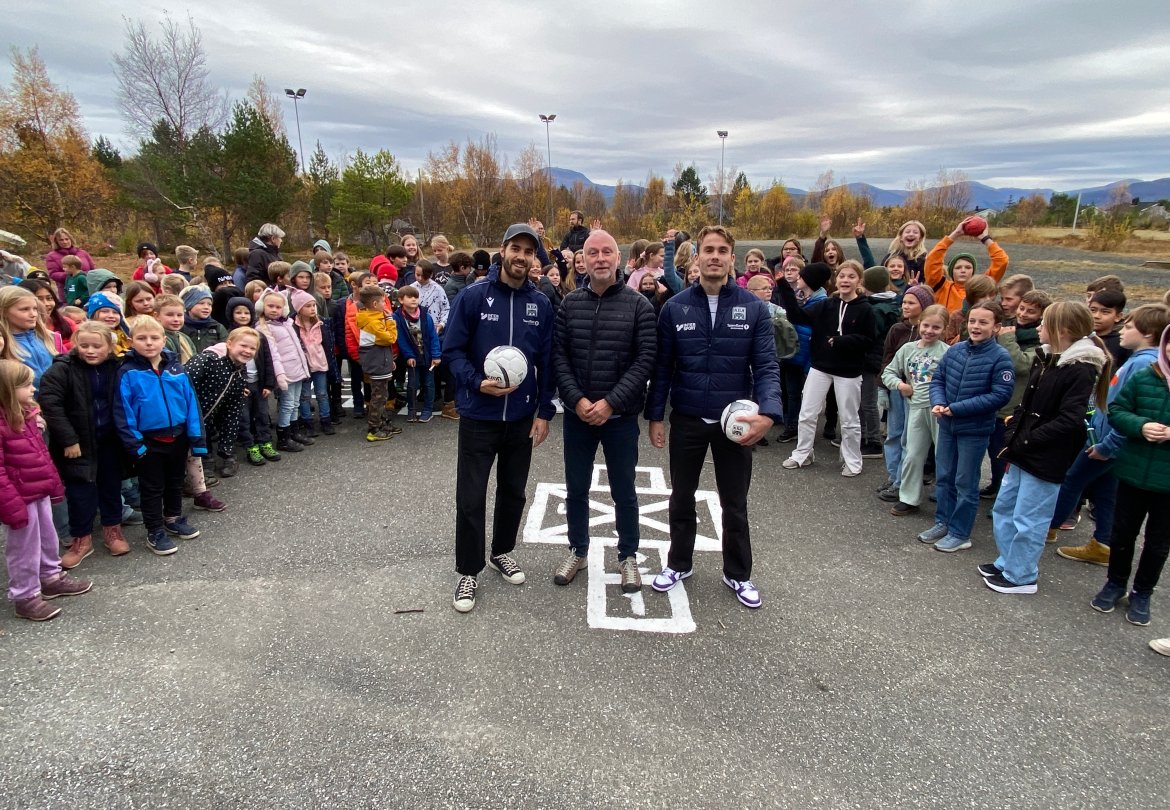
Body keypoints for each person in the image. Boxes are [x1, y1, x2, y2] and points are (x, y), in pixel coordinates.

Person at [646, 225, 782, 609]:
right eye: (709, 249)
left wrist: (769, 413)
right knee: (681, 497)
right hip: (687, 418)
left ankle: (738, 573)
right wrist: (656, 415)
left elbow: (767, 366)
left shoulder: (753, 308)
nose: (715, 256)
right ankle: (678, 564)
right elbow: (663, 368)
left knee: (734, 503)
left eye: (723, 250)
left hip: (734, 424)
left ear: (731, 259)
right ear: (696, 257)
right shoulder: (675, 307)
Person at [443, 223, 555, 614]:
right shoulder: (474, 297)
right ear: (503, 250)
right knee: (471, 497)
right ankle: (468, 570)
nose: (522, 256)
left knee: (514, 492)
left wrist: (544, 411)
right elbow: (452, 351)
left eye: (529, 251)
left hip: (521, 419)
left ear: (534, 259)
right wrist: (477, 384)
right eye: (516, 248)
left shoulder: (540, 305)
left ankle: (501, 552)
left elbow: (547, 362)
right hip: (479, 416)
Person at [551, 229, 657, 592]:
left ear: (617, 257)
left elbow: (645, 361)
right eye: (592, 252)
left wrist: (611, 401)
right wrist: (577, 400)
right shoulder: (570, 304)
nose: (599, 258)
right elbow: (559, 356)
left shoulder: (639, 305)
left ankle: (628, 556)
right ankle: (578, 550)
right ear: (583, 259)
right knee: (576, 489)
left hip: (620, 418)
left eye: (606, 252)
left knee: (624, 490)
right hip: (579, 417)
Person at [983, 302, 1110, 594]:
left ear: (1062, 330)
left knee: (1030, 517)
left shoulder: (1080, 369)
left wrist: (1028, 439)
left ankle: (1022, 575)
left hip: (1045, 456)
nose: (1038, 328)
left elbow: (1070, 419)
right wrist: (1015, 432)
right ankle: (1008, 561)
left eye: (1044, 323)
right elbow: (1025, 406)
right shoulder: (1048, 358)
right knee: (1006, 507)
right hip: (1022, 451)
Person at [1054, 304, 1170, 565]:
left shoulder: (1141, 364)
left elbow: (1119, 410)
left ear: (1149, 334)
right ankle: (1103, 542)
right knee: (1107, 491)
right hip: (1112, 443)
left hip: (1107, 443)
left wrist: (1105, 446)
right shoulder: (1143, 360)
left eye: (1128, 327)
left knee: (1072, 480)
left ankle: (1047, 527)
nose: (1122, 332)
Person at [1088, 324, 1170, 627]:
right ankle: (1115, 582)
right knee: (1123, 532)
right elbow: (1118, 409)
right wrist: (1140, 426)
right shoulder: (1147, 375)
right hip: (1133, 470)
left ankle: (1142, 591)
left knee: (1159, 542)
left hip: (1166, 482)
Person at [0, 359, 92, 621]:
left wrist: (52, 484)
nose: (33, 389)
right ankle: (25, 595)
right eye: (26, 385)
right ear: (7, 389)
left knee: (47, 536)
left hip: (36, 490)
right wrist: (10, 505)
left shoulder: (26, 416)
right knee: (23, 548)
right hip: (17, 497)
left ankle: (50, 577)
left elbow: (40, 455)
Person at [919, 301, 1014, 552]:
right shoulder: (956, 350)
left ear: (996, 327)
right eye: (973, 321)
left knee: (965, 482)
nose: (976, 326)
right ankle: (943, 522)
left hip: (974, 429)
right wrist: (939, 402)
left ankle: (960, 533)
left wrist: (958, 408)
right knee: (945, 476)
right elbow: (938, 379)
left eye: (983, 322)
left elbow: (1000, 395)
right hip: (948, 425)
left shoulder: (1000, 358)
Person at [38, 321, 131, 567]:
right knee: (80, 491)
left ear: (109, 347)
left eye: (96, 346)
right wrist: (69, 439)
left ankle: (113, 530)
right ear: (75, 344)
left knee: (111, 486)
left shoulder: (117, 367)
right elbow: (51, 404)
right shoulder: (62, 369)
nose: (90, 350)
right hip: (77, 444)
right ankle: (82, 538)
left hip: (110, 439)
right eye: (84, 345)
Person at [112, 317, 206, 556]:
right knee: (152, 488)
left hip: (178, 436)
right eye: (142, 338)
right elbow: (123, 412)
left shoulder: (176, 368)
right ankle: (154, 530)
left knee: (175, 481)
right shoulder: (127, 372)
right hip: (148, 441)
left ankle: (173, 517)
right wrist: (136, 445)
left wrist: (196, 437)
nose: (149, 343)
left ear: (164, 340)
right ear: (132, 342)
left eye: (154, 338)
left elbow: (191, 403)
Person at [775, 260, 876, 476]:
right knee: (807, 413)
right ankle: (803, 453)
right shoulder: (827, 304)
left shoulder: (865, 308)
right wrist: (784, 286)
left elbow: (869, 340)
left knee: (849, 420)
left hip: (848, 372)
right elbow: (798, 317)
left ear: (859, 280)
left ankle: (851, 460)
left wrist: (843, 341)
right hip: (820, 367)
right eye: (841, 276)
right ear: (836, 280)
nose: (845, 280)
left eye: (850, 276)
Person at [883, 305, 950, 515]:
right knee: (913, 453)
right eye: (926, 325)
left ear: (944, 329)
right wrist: (901, 385)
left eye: (936, 327)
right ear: (920, 323)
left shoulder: (947, 352)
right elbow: (889, 372)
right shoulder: (908, 349)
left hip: (939, 410)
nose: (930, 331)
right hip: (916, 408)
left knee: (943, 454)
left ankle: (945, 494)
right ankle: (909, 497)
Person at [877, 285, 936, 499]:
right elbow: (888, 359)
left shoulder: (931, 332)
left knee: (910, 439)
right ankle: (894, 477)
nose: (905, 306)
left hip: (918, 394)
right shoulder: (897, 329)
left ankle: (904, 480)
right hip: (896, 388)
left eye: (911, 303)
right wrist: (884, 388)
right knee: (894, 434)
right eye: (904, 302)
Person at [185, 328, 256, 480]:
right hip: (188, 417)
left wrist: (227, 450)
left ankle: (226, 455)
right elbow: (183, 384)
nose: (247, 351)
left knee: (231, 417)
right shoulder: (206, 360)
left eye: (252, 348)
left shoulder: (239, 372)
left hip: (209, 417)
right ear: (229, 344)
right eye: (243, 346)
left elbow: (232, 413)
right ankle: (204, 458)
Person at [775, 262, 830, 443]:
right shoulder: (800, 296)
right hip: (794, 352)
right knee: (792, 391)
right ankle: (792, 425)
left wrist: (783, 286)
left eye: (802, 276)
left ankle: (805, 428)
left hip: (809, 355)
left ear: (810, 281)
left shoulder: (820, 302)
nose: (798, 278)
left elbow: (797, 316)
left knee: (808, 395)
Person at [256, 289, 312, 453]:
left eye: (278, 307)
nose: (274, 310)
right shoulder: (264, 327)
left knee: (295, 403)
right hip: (285, 372)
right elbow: (273, 354)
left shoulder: (287, 323)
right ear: (262, 306)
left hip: (296, 369)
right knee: (287, 405)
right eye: (270, 306)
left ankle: (293, 431)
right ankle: (283, 436)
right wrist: (279, 376)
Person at [226, 297, 279, 467]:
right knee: (244, 417)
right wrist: (237, 386)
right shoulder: (228, 336)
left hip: (259, 383)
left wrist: (269, 384)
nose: (243, 316)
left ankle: (265, 442)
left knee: (262, 415)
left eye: (246, 312)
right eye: (238, 312)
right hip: (241, 386)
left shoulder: (259, 336)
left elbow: (268, 361)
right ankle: (251, 446)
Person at [924, 218, 1009, 312]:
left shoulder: (982, 286)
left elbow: (1002, 261)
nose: (963, 270)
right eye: (958, 267)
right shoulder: (940, 286)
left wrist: (985, 238)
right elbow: (932, 260)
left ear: (973, 271)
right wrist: (955, 234)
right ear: (951, 271)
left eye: (968, 267)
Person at [355, 285, 399, 442]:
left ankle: (383, 423)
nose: (386, 305)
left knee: (383, 395)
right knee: (378, 397)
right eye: (383, 302)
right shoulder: (373, 323)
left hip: (381, 362)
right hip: (376, 364)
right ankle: (374, 428)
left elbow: (384, 344)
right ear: (375, 304)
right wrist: (390, 321)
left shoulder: (373, 319)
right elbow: (390, 338)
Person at [392, 285, 441, 423]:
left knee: (429, 384)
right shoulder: (397, 318)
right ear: (401, 300)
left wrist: (436, 355)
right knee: (413, 384)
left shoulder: (426, 316)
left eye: (416, 297)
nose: (414, 299)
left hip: (428, 356)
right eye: (410, 297)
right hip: (412, 357)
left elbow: (433, 337)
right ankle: (412, 410)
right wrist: (409, 356)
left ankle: (427, 410)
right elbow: (400, 339)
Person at [1, 285, 61, 391]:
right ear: (4, 312)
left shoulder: (51, 338)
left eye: (35, 309)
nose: (33, 314)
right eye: (24, 309)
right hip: (20, 405)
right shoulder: (3, 344)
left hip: (55, 402)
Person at [293, 290, 336, 436]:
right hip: (304, 366)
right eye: (308, 306)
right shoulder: (293, 326)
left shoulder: (322, 323)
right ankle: (307, 422)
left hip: (320, 364)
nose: (312, 309)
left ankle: (326, 420)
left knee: (322, 393)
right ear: (299, 308)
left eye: (314, 305)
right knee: (304, 395)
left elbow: (327, 345)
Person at [44, 228, 95, 301]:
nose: (65, 242)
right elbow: (53, 274)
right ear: (56, 242)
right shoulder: (52, 256)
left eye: (66, 239)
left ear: (71, 239)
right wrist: (71, 275)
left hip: (86, 291)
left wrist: (83, 275)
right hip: (69, 293)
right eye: (61, 240)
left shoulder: (82, 253)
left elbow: (93, 269)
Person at [180, 286, 228, 352]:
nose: (206, 307)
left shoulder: (217, 327)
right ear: (188, 304)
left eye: (209, 304)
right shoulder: (180, 326)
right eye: (201, 303)